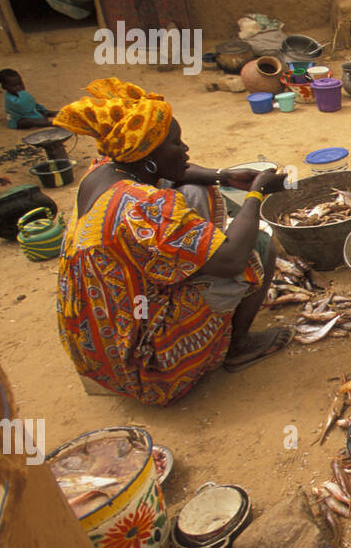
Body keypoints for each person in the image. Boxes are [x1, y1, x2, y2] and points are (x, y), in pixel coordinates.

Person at [53, 78, 291, 405]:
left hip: (98, 341)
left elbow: (176, 174)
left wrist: (222, 176)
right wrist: (254, 194)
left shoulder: (108, 168)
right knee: (259, 247)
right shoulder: (142, 206)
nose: (185, 150)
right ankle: (236, 347)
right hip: (143, 361)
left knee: (192, 191)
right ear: (148, 155)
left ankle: (198, 271)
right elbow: (233, 259)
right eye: (176, 143)